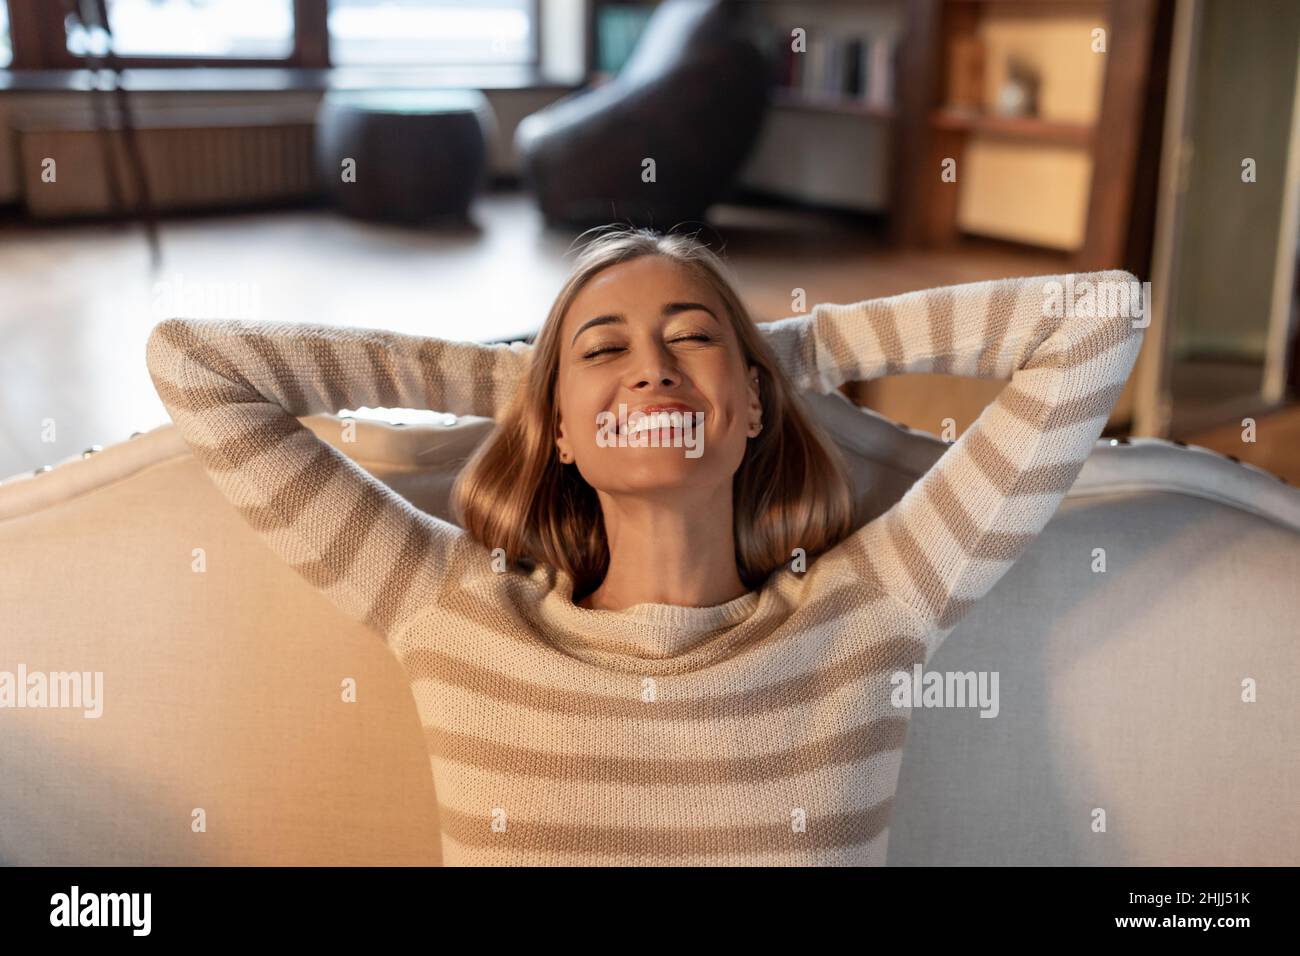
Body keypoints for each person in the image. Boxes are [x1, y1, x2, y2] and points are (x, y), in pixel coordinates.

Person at [145, 225, 1145, 865]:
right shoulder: (448, 610)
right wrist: (525, 384)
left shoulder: (875, 606)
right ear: (559, 432)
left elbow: (1100, 318)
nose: (653, 368)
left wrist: (791, 354)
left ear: (755, 404)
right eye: (605, 347)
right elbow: (193, 365)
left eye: (691, 337)